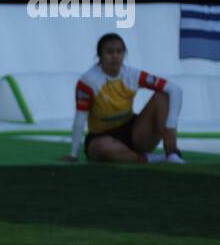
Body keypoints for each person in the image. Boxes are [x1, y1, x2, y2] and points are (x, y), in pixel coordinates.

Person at [61, 33, 184, 164]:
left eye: (119, 51)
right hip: (102, 136)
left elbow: (175, 90)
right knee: (101, 147)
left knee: (162, 95)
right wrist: (73, 154)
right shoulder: (88, 82)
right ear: (100, 56)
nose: (115, 56)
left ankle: (172, 153)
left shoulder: (132, 75)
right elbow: (80, 118)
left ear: (124, 54)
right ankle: (154, 159)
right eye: (109, 52)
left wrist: (171, 126)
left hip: (134, 132)